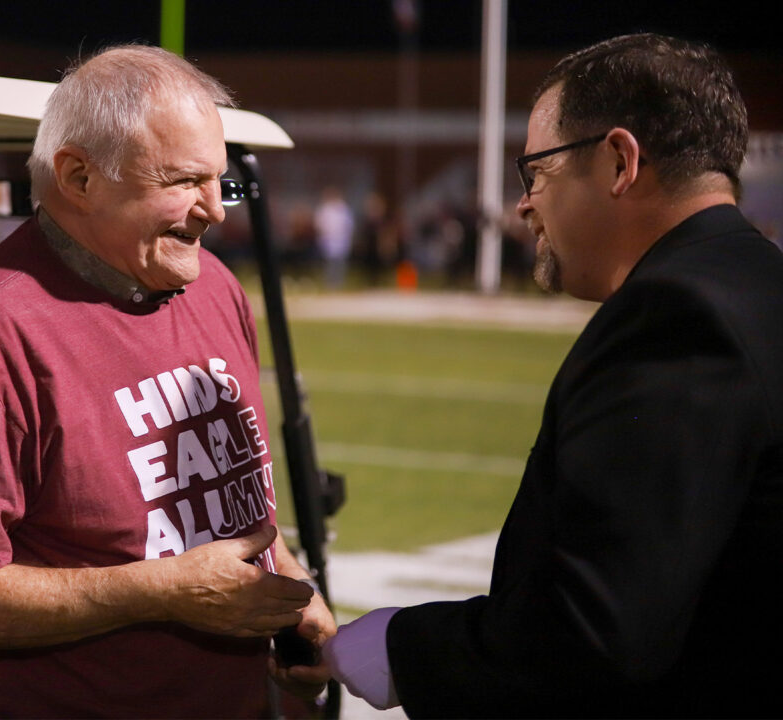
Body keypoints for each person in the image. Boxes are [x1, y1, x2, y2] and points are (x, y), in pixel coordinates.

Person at [324, 33, 783, 716]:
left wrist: (399, 647)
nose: (524, 205)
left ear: (619, 162)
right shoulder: (758, 281)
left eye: (534, 172)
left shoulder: (675, 314)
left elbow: (596, 635)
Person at [0, 44, 335, 718]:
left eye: (221, 180)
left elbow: (233, 500)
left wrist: (292, 583)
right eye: (184, 180)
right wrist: (157, 591)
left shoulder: (213, 286)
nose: (216, 210)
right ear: (79, 178)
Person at [313, 186, 355, 289]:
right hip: (328, 240)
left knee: (340, 264)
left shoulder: (343, 209)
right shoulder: (325, 209)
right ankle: (329, 284)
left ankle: (339, 283)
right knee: (329, 263)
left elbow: (349, 225)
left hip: (341, 240)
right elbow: (318, 224)